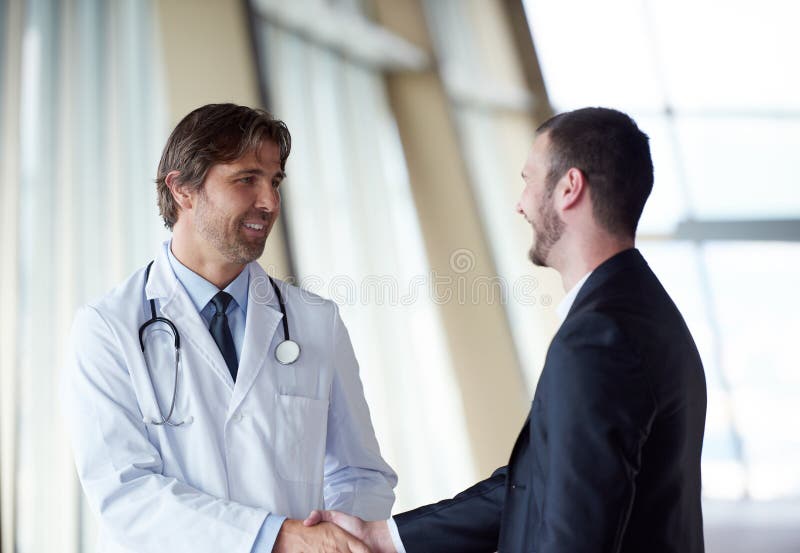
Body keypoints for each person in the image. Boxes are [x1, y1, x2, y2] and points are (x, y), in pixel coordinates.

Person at [304, 107, 707, 552]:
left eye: (528, 180)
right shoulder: (642, 309)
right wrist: (381, 536)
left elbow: (575, 537)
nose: (521, 203)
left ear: (569, 188)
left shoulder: (598, 337)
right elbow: (535, 487)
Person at [62, 103, 396, 553]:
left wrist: (337, 535)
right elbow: (125, 493)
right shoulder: (108, 328)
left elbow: (359, 472)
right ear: (182, 189)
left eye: (274, 181)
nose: (270, 202)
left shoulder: (316, 321)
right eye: (247, 180)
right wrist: (277, 537)